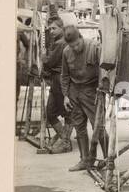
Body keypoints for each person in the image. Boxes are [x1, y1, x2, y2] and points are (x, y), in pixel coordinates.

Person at [60, 24, 107, 172]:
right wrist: (66, 96)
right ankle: (85, 160)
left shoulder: (95, 47)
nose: (75, 48)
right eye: (72, 46)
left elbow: (104, 70)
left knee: (98, 127)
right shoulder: (66, 52)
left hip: (92, 91)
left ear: (81, 37)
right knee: (79, 127)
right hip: (75, 92)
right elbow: (65, 75)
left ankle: (107, 160)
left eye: (77, 44)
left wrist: (102, 90)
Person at [38, 17, 71, 154]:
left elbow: (49, 62)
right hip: (57, 80)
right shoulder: (59, 42)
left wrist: (44, 57)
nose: (51, 31)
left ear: (62, 29)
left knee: (64, 113)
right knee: (51, 112)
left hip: (60, 80)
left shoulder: (61, 43)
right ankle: (64, 139)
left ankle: (65, 142)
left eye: (54, 28)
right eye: (49, 29)